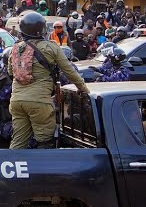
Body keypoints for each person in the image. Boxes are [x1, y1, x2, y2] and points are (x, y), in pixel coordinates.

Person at [8, 11, 90, 150]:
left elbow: (11, 72)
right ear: (42, 29)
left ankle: (14, 163)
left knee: (18, 142)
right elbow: (69, 71)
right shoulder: (50, 47)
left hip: (16, 101)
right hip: (39, 101)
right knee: (45, 142)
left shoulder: (16, 48)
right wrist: (84, 89)